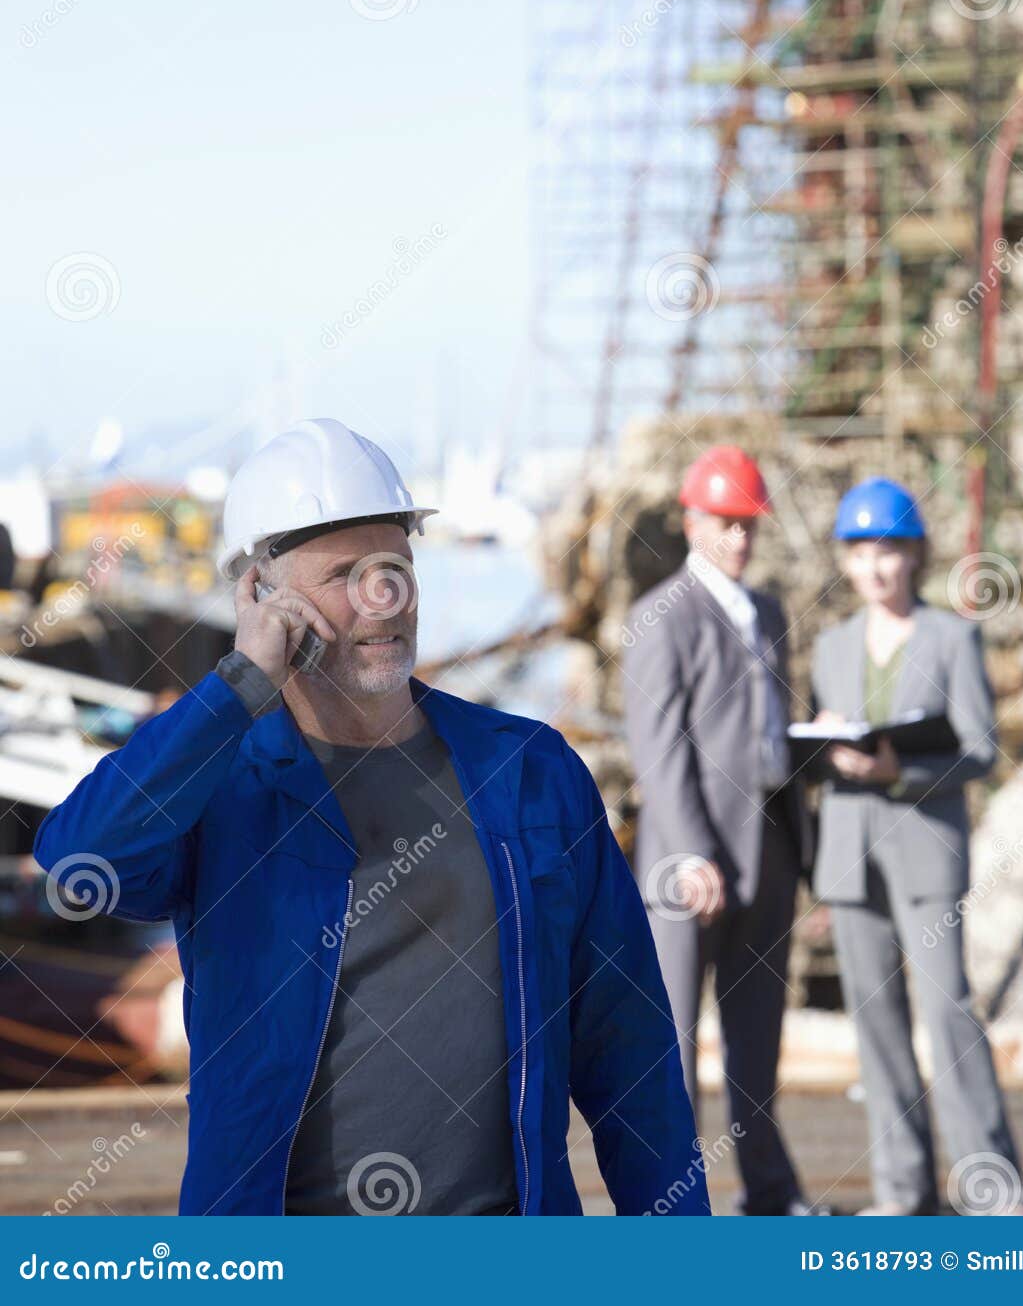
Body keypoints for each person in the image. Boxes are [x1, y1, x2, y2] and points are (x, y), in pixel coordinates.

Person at [35, 419, 708, 1218]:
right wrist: (238, 686)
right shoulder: (223, 784)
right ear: (260, 595)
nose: (381, 601)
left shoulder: (527, 769)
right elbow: (84, 859)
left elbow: (626, 1045)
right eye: (344, 574)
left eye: (395, 568)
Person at [810, 477, 1023, 1217]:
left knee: (948, 1015)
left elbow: (980, 750)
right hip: (848, 853)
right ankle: (901, 1193)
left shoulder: (951, 637)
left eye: (890, 551)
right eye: (862, 552)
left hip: (924, 849)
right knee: (875, 1029)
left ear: (914, 557)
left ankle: (988, 1187)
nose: (876, 567)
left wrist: (899, 769)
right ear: (845, 561)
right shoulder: (831, 646)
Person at [623, 444, 814, 1216]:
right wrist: (690, 852)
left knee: (756, 1033)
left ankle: (770, 1191)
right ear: (694, 520)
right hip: (686, 858)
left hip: (766, 840)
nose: (740, 540)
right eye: (727, 524)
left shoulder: (765, 612)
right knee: (670, 1035)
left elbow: (766, 728)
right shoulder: (659, 617)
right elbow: (658, 746)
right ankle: (669, 1204)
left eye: (748, 527)